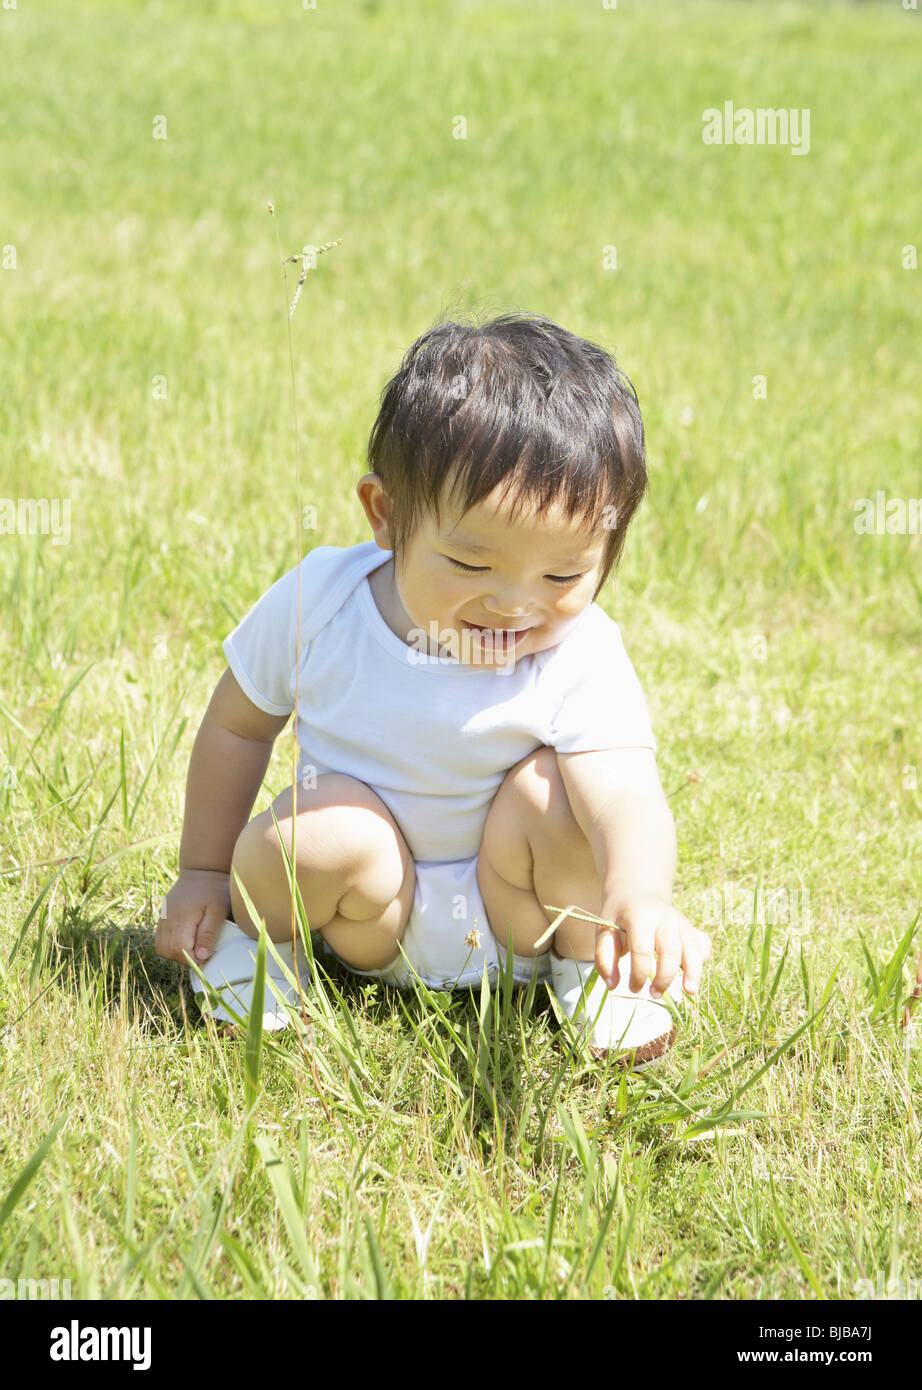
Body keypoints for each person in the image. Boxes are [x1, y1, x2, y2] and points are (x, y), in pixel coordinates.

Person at [155, 312, 711, 1068]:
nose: (516, 604)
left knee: (561, 795)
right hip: (370, 914)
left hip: (524, 920)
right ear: (387, 516)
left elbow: (625, 796)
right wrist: (204, 874)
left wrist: (638, 895)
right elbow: (237, 729)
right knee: (324, 828)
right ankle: (263, 948)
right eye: (474, 566)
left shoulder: (581, 650)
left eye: (563, 575)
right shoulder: (321, 603)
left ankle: (590, 968)